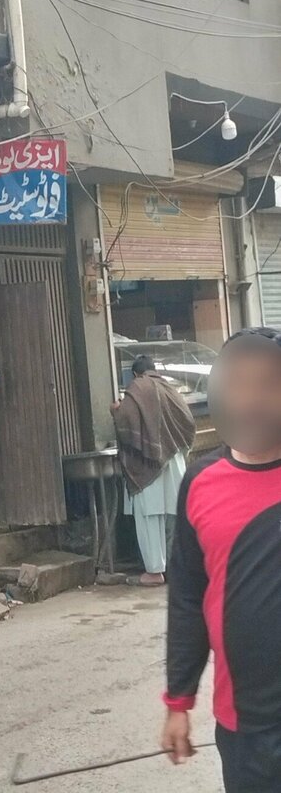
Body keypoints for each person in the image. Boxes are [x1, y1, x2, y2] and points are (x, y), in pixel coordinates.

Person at [162, 328, 281, 792]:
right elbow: (189, 599)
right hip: (244, 723)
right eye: (237, 384)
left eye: (268, 384)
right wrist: (178, 701)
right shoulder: (200, 482)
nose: (250, 400)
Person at [111, 354, 196, 587]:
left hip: (148, 465)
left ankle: (154, 571)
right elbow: (189, 422)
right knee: (176, 516)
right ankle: (177, 568)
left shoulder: (138, 386)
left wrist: (116, 411)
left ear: (136, 373)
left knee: (149, 517)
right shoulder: (170, 388)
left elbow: (126, 418)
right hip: (175, 458)